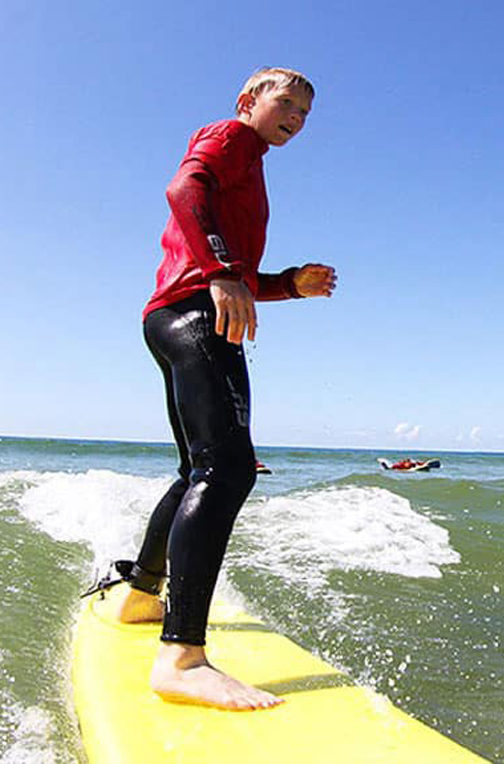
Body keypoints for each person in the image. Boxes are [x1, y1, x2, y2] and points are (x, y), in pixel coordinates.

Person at [93, 68, 335, 711]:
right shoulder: (229, 137)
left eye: (305, 114)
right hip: (195, 313)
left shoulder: (252, 165)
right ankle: (183, 657)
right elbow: (184, 189)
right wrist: (226, 273)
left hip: (174, 314)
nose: (296, 118)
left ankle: (141, 595)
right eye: (286, 103)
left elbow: (236, 271)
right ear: (248, 102)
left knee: (199, 469)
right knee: (229, 470)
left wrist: (286, 283)